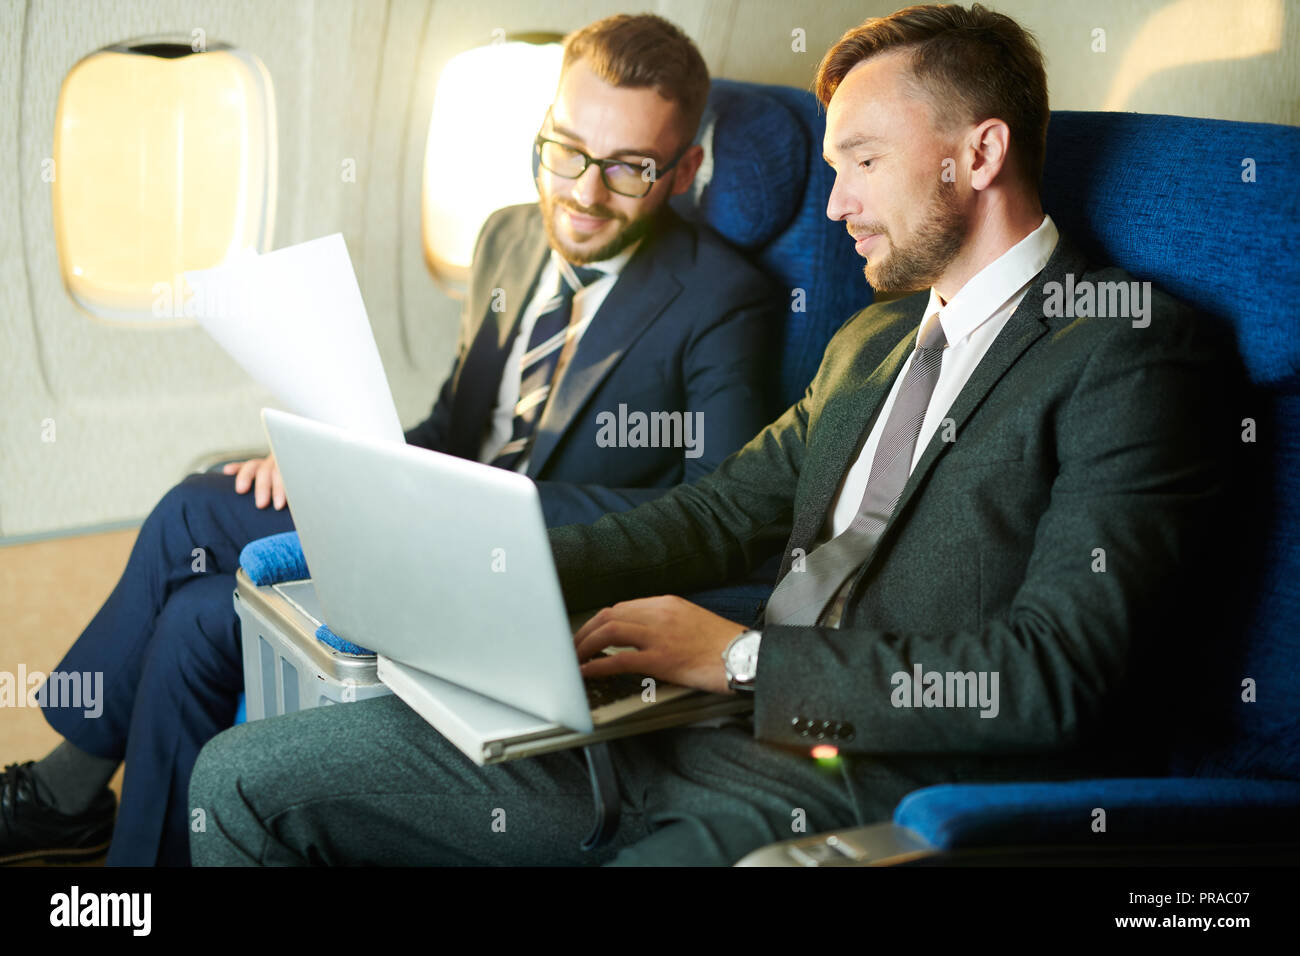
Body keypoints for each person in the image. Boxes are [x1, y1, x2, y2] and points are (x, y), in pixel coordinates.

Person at [188, 3, 1236, 866]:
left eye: (863, 161)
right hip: (686, 726)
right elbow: (725, 507)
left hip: (886, 779)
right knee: (239, 781)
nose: (836, 205)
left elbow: (1055, 671)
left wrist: (739, 658)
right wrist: (488, 568)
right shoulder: (872, 342)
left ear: (979, 151)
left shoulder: (1126, 350)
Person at [1, 13, 782, 867]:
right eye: (567, 149)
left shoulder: (722, 299)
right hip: (428, 534)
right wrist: (335, 456)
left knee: (195, 516)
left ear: (683, 171)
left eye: (629, 168)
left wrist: (491, 509)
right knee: (195, 616)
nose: (585, 193)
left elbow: (716, 516)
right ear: (544, 132)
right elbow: (453, 427)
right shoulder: (508, 237)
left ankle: (61, 793)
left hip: (540, 574)